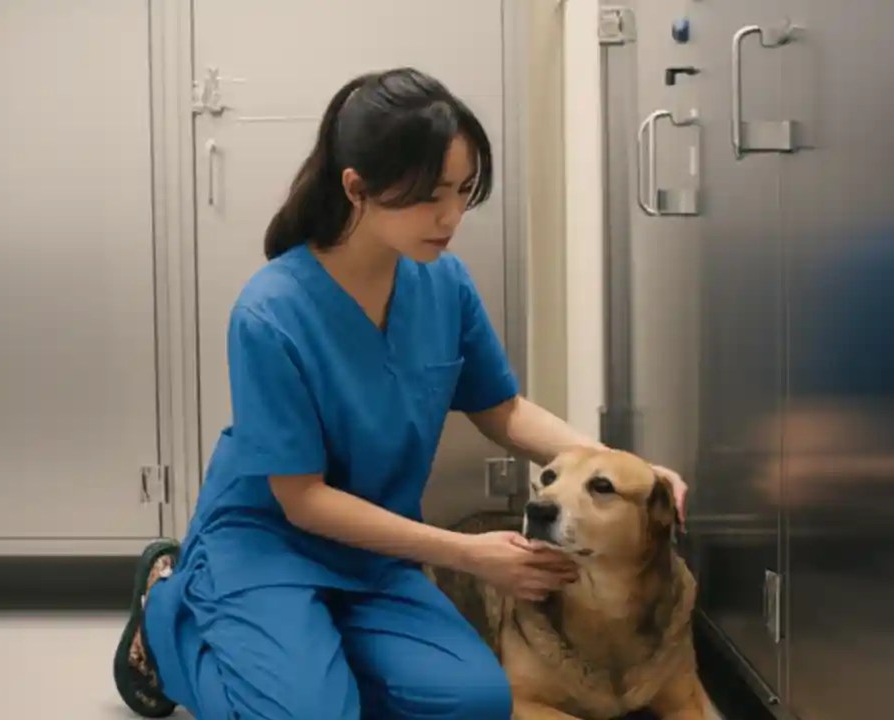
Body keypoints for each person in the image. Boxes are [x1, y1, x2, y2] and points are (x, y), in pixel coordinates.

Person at [112, 67, 688, 720]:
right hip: (266, 545)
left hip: (372, 551)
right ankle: (164, 618)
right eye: (428, 194)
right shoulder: (270, 311)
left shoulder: (444, 283)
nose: (451, 216)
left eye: (463, 190)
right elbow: (300, 500)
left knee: (475, 703)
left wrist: (618, 465)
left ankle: (311, 660)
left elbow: (501, 409)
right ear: (356, 187)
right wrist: (469, 555)